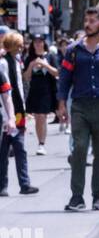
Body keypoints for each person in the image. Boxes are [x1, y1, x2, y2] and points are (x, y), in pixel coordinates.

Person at [57, 6, 99, 211]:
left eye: (93, 20)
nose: (88, 24)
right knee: (79, 148)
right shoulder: (73, 51)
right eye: (86, 20)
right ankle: (77, 196)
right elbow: (64, 80)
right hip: (79, 106)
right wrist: (61, 104)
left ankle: (98, 196)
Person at [0, 31, 39, 197]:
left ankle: (24, 183)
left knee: (20, 149)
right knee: (3, 152)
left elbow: (20, 87)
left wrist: (23, 107)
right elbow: (6, 90)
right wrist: (8, 114)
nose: (22, 47)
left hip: (18, 112)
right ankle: (2, 185)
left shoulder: (17, 61)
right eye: (19, 44)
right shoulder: (3, 63)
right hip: (6, 111)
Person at [23, 34, 59, 154]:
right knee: (38, 117)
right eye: (35, 42)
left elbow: (56, 72)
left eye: (40, 42)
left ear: (44, 43)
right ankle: (40, 142)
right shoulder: (29, 58)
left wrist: (44, 65)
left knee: (42, 116)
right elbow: (26, 77)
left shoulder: (50, 56)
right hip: (35, 90)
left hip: (47, 90)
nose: (38, 44)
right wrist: (31, 65)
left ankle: (42, 143)